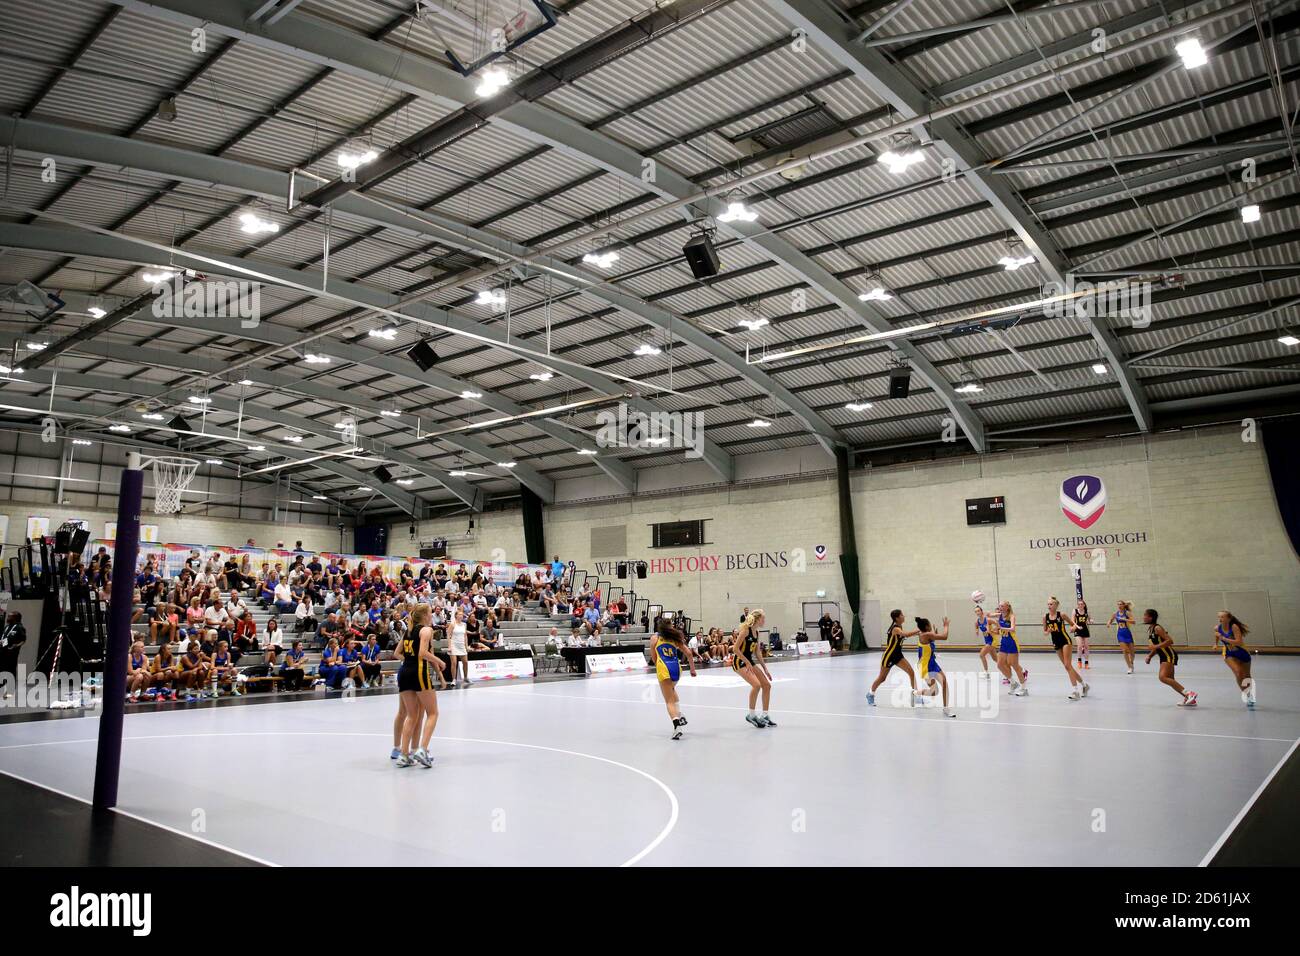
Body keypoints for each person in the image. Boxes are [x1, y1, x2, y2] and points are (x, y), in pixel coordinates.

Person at [395, 604, 444, 768]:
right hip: (419, 671)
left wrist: (408, 662)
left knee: (412, 715)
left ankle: (404, 754)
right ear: (424, 615)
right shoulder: (426, 630)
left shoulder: (408, 631)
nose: (432, 615)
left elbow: (397, 653)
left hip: (404, 672)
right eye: (431, 612)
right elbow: (423, 653)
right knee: (433, 713)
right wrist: (439, 661)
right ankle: (422, 749)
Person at [652, 620, 697, 738]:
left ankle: (677, 726)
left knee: (669, 701)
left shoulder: (655, 638)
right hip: (676, 669)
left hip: (664, 669)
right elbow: (689, 654)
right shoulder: (674, 639)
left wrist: (658, 666)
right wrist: (692, 669)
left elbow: (654, 656)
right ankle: (680, 715)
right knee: (671, 691)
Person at [732, 609, 775, 728]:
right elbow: (735, 649)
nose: (764, 620)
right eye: (763, 618)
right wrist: (746, 662)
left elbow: (757, 652)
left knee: (767, 685)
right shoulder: (745, 631)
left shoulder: (757, 632)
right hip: (739, 661)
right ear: (757, 619)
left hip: (749, 661)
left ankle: (765, 715)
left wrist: (765, 668)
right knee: (756, 685)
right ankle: (751, 715)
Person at [866, 609, 918, 706]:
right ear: (897, 618)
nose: (904, 616)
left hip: (898, 656)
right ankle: (870, 694)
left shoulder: (899, 626)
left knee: (911, 673)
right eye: (902, 615)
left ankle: (916, 696)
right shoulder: (895, 628)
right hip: (889, 656)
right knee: (882, 678)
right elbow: (905, 634)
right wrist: (919, 629)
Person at [1144, 609, 1195, 706]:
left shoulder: (1157, 628)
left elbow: (1170, 641)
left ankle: (1189, 693)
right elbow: (1157, 645)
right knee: (1171, 679)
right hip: (1163, 655)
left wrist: (1155, 647)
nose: (1143, 617)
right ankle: (1188, 698)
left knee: (1162, 677)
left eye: (1145, 615)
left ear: (1150, 617)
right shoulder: (1150, 629)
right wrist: (1150, 655)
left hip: (1168, 655)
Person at [1044, 597, 1087, 700]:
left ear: (1056, 605)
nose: (1049, 606)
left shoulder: (1061, 615)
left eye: (1051, 604)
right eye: (1048, 604)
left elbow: (1074, 625)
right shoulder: (1045, 617)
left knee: (1068, 665)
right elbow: (1045, 632)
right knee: (1068, 667)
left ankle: (1075, 691)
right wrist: (1048, 631)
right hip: (1056, 643)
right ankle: (1084, 685)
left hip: (1065, 641)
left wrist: (1073, 628)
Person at [912, 617, 956, 718]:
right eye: (929, 624)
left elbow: (932, 640)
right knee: (934, 692)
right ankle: (915, 693)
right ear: (927, 626)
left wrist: (934, 634)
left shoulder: (925, 634)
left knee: (944, 683)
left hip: (932, 663)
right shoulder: (926, 634)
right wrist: (946, 626)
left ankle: (946, 708)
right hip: (925, 667)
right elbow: (945, 637)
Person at [1214, 611, 1256, 709]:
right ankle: (1246, 695)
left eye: (1222, 617)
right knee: (1238, 672)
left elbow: (1239, 642)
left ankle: (1250, 693)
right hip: (1229, 653)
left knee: (1246, 676)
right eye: (1219, 617)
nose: (1220, 619)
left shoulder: (1234, 627)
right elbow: (1216, 634)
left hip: (1242, 652)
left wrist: (1223, 638)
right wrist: (1215, 643)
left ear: (1229, 618)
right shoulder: (1217, 627)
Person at [996, 601, 1028, 696]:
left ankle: (1023, 688)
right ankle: (1013, 683)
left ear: (1007, 607)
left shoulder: (1012, 616)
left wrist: (1000, 627)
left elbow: (1012, 629)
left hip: (1012, 643)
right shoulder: (1000, 616)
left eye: (1002, 606)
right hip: (1004, 643)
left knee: (1014, 665)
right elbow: (989, 615)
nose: (1000, 607)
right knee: (1000, 664)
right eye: (999, 606)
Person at [0, 612, 28, 687]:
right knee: (2, 669)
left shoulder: (19, 627)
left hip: (11, 653)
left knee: (10, 670)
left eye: (9, 616)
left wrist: (16, 646)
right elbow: (4, 638)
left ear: (15, 618)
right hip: (2, 651)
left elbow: (23, 640)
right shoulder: (6, 627)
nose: (7, 618)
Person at [1110, 600, 1136, 674]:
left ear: (1124, 605)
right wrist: (1108, 623)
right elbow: (1111, 620)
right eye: (1118, 604)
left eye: (1121, 604)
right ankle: (1129, 667)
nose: (1119, 605)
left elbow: (1134, 622)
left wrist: (1125, 619)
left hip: (1127, 633)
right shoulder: (1115, 613)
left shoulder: (1127, 613)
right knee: (1125, 650)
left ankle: (1131, 663)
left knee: (1132, 653)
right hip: (1120, 633)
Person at [446, 609, 470, 688]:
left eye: (462, 614)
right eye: (459, 614)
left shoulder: (464, 624)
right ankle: (454, 679)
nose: (461, 616)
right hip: (453, 645)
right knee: (454, 663)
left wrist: (466, 646)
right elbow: (448, 635)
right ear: (456, 615)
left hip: (462, 645)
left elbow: (465, 635)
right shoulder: (452, 624)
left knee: (465, 662)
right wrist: (449, 646)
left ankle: (465, 678)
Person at [1073, 598, 1092, 670]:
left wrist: (1091, 621)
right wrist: (1077, 626)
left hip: (1085, 630)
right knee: (1080, 646)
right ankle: (1079, 661)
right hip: (1078, 629)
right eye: (1079, 604)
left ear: (1084, 605)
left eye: (1081, 604)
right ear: (1077, 605)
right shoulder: (1075, 611)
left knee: (1087, 647)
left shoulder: (1087, 611)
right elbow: (1072, 620)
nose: (1080, 605)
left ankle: (1086, 663)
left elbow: (1089, 620)